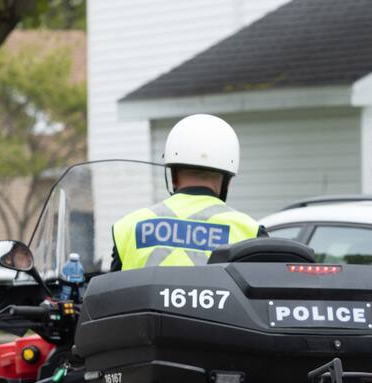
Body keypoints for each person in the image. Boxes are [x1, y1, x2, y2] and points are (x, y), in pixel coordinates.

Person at [111, 114, 264, 270]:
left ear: (173, 175)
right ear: (227, 181)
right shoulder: (249, 231)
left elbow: (111, 290)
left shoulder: (129, 227)